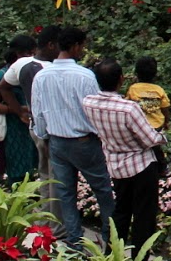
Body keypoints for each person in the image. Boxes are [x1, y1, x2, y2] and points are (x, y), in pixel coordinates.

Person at [28, 25, 114, 247]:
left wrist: (43, 135)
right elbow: (96, 108)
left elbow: (37, 111)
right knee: (102, 190)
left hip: (57, 141)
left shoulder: (42, 76)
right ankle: (111, 238)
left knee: (66, 194)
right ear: (76, 46)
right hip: (84, 141)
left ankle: (74, 241)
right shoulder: (85, 76)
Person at [82, 57, 166, 252]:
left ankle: (113, 257)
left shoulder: (89, 102)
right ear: (121, 79)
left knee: (121, 211)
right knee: (143, 217)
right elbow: (150, 140)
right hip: (141, 165)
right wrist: (162, 136)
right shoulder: (128, 109)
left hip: (115, 164)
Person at [0, 28, 58, 206]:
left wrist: (20, 111)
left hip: (35, 126)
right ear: (50, 45)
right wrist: (18, 111)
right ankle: (56, 223)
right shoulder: (53, 67)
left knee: (44, 173)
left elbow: (3, 86)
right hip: (53, 129)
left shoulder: (22, 64)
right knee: (56, 177)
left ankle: (45, 217)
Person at [0, 37, 38, 185]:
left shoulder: (27, 71)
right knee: (16, 168)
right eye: (29, 53)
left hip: (27, 126)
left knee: (30, 165)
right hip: (13, 129)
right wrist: (17, 109)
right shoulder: (2, 75)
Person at [125, 55, 170, 135]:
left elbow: (127, 105)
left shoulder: (133, 89)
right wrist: (166, 122)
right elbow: (165, 109)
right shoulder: (159, 90)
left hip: (140, 127)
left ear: (137, 73)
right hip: (157, 127)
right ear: (155, 74)